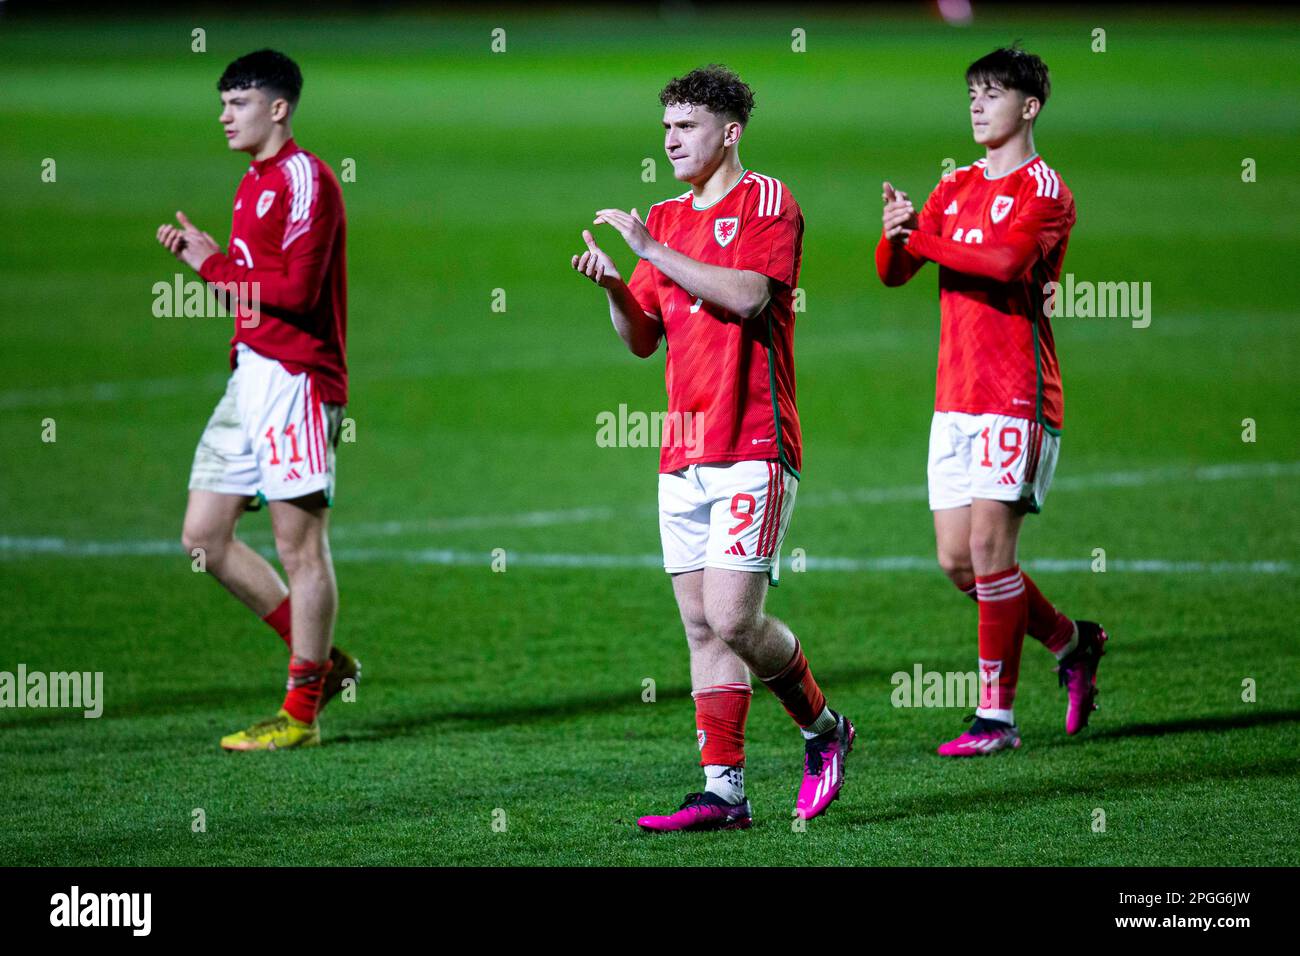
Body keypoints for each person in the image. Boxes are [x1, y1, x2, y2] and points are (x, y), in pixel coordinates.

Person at [571, 65, 854, 829]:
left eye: (686, 126)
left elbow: (750, 295)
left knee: (734, 619)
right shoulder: (663, 216)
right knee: (700, 627)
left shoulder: (767, 201)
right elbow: (643, 340)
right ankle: (724, 789)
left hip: (754, 443)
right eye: (665, 128)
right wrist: (613, 288)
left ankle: (824, 730)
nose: (670, 141)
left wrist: (651, 252)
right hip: (683, 450)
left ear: (730, 132)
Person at [875, 46, 1107, 756]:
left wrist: (928, 238)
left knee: (989, 549)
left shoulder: (1047, 191)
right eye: (972, 93)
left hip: (1016, 394)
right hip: (955, 398)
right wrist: (896, 234)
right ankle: (1072, 642)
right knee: (959, 564)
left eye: (993, 93)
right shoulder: (956, 186)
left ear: (1029, 107)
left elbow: (1007, 263)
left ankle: (994, 720)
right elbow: (895, 272)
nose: (977, 105)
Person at [156, 48, 357, 751]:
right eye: (222, 103)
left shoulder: (307, 179)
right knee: (204, 538)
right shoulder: (253, 183)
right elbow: (256, 289)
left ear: (278, 108)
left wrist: (209, 265)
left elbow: (297, 295)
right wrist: (212, 261)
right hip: (252, 376)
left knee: (300, 547)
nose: (224, 115)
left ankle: (301, 712)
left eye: (237, 102)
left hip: (297, 381)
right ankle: (324, 664)